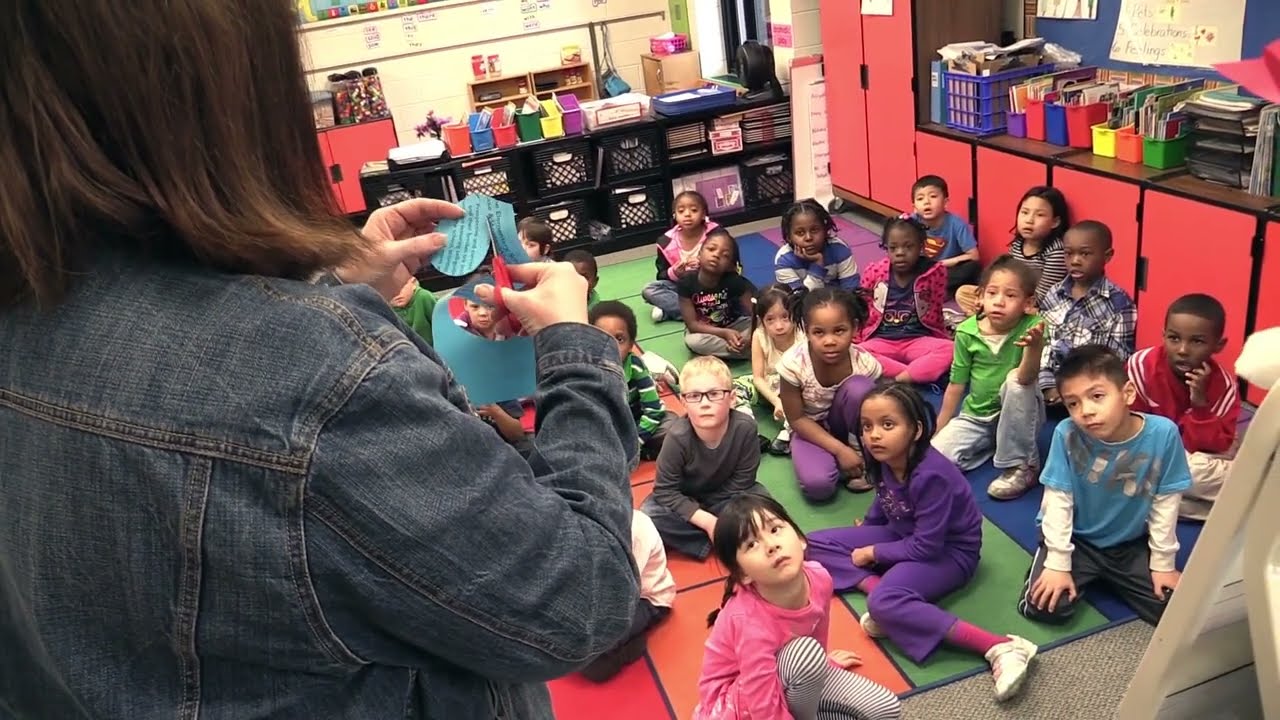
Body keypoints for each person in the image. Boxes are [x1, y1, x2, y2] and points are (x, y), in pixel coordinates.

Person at [0, 4, 641, 718]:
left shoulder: (23, 327)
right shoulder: (317, 383)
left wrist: (329, 293)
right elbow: (580, 597)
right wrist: (579, 355)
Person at [807, 382, 1037, 702]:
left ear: (915, 430)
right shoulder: (883, 457)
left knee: (882, 603)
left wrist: (872, 551)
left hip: (949, 553)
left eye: (888, 425)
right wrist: (871, 529)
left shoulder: (932, 474)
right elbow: (885, 497)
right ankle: (894, 601)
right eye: (867, 426)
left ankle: (1001, 646)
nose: (874, 435)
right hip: (903, 530)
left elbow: (926, 547)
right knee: (812, 545)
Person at [1018, 345, 1192, 627]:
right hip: (1078, 539)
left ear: (1128, 394)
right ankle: (1086, 572)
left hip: (1128, 542)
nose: (1085, 411)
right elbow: (1057, 501)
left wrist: (1163, 564)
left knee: (1178, 612)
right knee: (1044, 607)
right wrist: (1058, 563)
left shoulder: (1164, 434)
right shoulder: (1067, 434)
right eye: (1073, 403)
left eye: (1097, 396)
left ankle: (1108, 576)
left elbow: (1166, 500)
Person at [694, 495, 903, 720]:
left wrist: (822, 665)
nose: (771, 546)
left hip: (791, 675)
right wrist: (811, 662)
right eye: (751, 544)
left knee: (886, 708)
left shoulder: (819, 577)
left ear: (800, 538)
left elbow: (818, 631)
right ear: (743, 574)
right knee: (806, 653)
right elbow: (762, 705)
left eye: (774, 530)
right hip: (737, 703)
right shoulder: (748, 620)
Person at [933, 256, 1047, 500]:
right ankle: (995, 445)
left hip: (1020, 413)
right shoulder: (967, 331)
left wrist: (1035, 348)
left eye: (1010, 295)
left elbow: (1027, 379)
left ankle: (1023, 464)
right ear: (981, 297)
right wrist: (938, 430)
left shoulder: (1034, 327)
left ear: (1027, 303)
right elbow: (956, 385)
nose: (999, 302)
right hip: (977, 417)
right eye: (992, 293)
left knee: (1015, 380)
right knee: (934, 460)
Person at [1128, 294, 1240, 520]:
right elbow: (1128, 428)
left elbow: (1212, 447)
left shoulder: (1225, 386)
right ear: (1163, 336)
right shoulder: (1141, 365)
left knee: (1203, 472)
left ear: (1219, 345)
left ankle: (1160, 502)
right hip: (1149, 455)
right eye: (1174, 338)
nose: (1182, 349)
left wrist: (1199, 405)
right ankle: (1206, 507)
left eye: (1197, 341)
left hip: (1195, 460)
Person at [641, 357, 765, 559]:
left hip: (727, 496)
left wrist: (710, 508)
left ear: (732, 398)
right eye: (695, 396)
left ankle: (721, 533)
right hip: (685, 498)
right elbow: (665, 491)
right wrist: (706, 520)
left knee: (762, 503)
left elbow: (744, 478)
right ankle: (724, 537)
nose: (705, 403)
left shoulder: (745, 428)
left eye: (714, 394)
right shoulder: (677, 437)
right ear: (683, 402)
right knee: (650, 514)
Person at [778, 288, 882, 500]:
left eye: (839, 330)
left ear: (854, 328)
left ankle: (861, 457)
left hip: (849, 427)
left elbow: (876, 411)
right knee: (819, 487)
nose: (829, 341)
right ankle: (842, 460)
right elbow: (796, 419)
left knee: (860, 388)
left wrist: (859, 450)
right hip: (808, 429)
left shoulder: (864, 363)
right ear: (806, 331)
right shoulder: (793, 364)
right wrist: (840, 451)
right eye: (819, 332)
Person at [1037, 220, 1136, 408]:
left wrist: (1075, 389)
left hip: (1090, 386)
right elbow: (1045, 343)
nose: (1075, 261)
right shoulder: (1054, 293)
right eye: (1068, 253)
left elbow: (1116, 357)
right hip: (1049, 382)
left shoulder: (1119, 303)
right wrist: (1048, 385)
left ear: (1107, 256)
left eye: (1085, 254)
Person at [579, 510, 675, 682]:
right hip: (613, 593)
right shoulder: (592, 528)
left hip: (648, 600)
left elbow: (621, 593)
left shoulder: (636, 533)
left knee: (593, 666)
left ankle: (631, 647)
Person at [858, 216, 954, 384]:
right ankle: (913, 374)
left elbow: (937, 308)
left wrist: (942, 335)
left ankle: (897, 379)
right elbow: (861, 308)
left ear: (921, 247)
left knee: (951, 349)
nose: (900, 253)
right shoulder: (874, 272)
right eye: (893, 248)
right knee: (855, 353)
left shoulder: (934, 272)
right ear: (886, 248)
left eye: (908, 246)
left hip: (917, 339)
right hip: (881, 340)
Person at [954, 186, 1069, 315]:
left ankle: (992, 315)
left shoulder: (1056, 252)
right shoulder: (1018, 244)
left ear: (1055, 222)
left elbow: (1043, 297)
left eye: (1040, 215)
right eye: (1025, 212)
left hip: (1032, 305)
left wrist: (1010, 302)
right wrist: (988, 295)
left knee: (1039, 314)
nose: (1029, 220)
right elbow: (1005, 273)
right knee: (963, 292)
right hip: (1009, 295)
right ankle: (992, 313)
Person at [590, 300, 678, 461]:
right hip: (606, 430)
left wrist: (636, 442)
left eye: (619, 339)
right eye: (602, 338)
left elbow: (654, 410)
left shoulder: (635, 367)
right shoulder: (586, 370)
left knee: (675, 427)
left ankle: (636, 452)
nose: (610, 346)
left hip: (636, 423)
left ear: (631, 344)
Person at [731, 283, 803, 456]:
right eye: (770, 319)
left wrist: (784, 399)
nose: (778, 326)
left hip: (796, 387)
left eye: (785, 317)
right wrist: (775, 401)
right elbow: (758, 378)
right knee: (733, 388)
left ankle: (790, 431)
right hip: (770, 387)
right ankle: (748, 431)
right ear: (761, 319)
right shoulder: (759, 335)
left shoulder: (803, 333)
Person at [678, 229, 756, 360]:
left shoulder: (734, 282)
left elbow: (757, 314)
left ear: (731, 266)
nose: (716, 255)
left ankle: (742, 347)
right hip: (705, 330)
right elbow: (692, 324)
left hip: (736, 324)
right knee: (694, 341)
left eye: (725, 255)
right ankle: (750, 350)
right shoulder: (687, 282)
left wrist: (748, 337)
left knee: (761, 325)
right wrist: (725, 333)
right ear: (699, 254)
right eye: (711, 249)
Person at [643, 190, 719, 322]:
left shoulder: (716, 235)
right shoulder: (665, 241)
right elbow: (661, 274)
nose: (687, 215)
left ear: (704, 214)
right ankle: (696, 313)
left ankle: (671, 310)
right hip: (683, 288)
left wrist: (705, 265)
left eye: (694, 210)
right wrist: (674, 273)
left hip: (712, 286)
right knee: (649, 289)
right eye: (681, 211)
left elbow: (731, 263)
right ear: (675, 215)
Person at [910, 175, 980, 293]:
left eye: (933, 196)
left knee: (974, 267)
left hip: (948, 269)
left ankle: (932, 287)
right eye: (920, 199)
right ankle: (930, 286)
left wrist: (944, 263)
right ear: (914, 207)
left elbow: (974, 256)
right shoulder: (910, 223)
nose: (927, 202)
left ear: (945, 202)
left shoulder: (956, 224)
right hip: (923, 270)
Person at [773, 199, 861, 292]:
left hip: (838, 300)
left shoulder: (839, 249)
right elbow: (798, 302)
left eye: (814, 230)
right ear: (788, 237)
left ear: (825, 230)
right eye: (800, 233)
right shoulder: (784, 260)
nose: (808, 237)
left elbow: (852, 291)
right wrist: (817, 265)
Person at [390, 273, 438, 345]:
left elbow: (443, 324)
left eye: (401, 286)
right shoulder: (384, 308)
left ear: (413, 284)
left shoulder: (424, 297)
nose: (397, 293)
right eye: (390, 289)